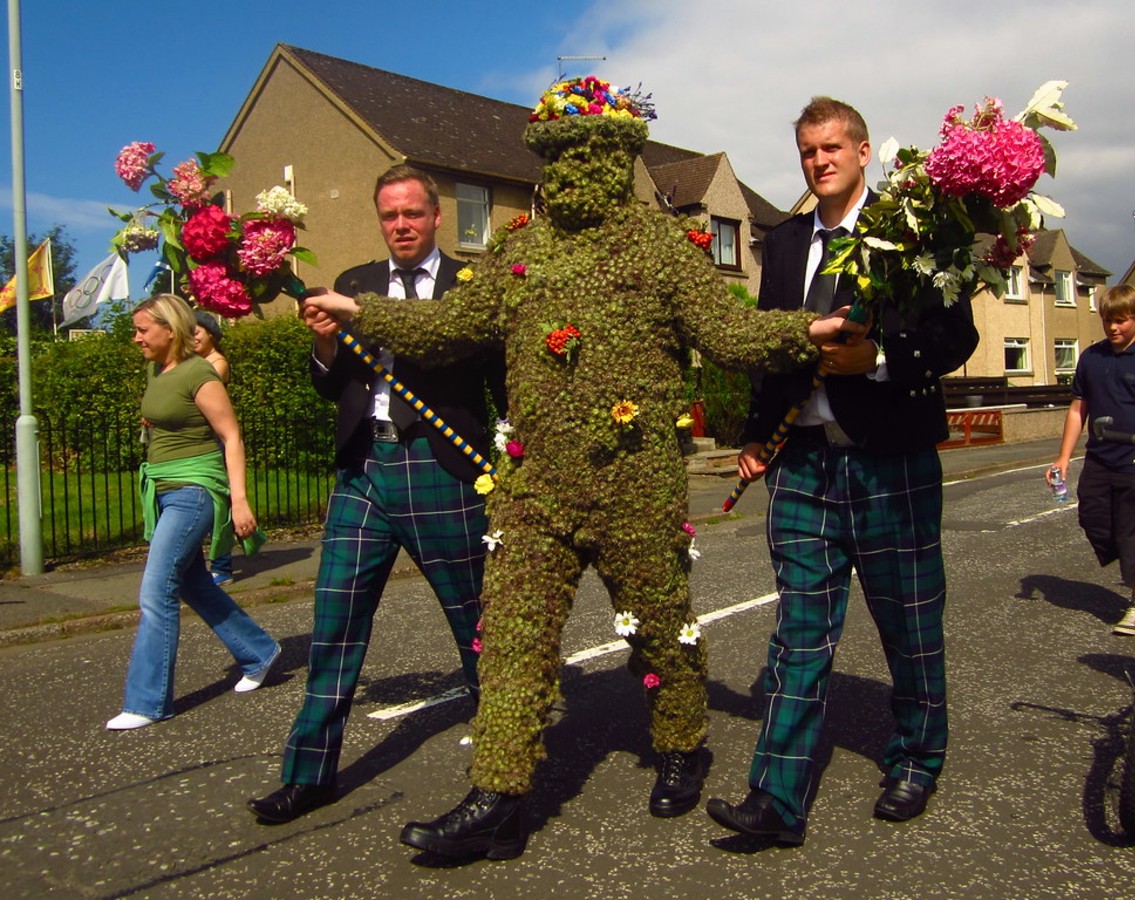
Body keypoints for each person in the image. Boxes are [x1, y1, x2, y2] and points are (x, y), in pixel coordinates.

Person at [302, 80, 860, 861]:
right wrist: (363, 312)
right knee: (512, 642)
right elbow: (455, 324)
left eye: (587, 156)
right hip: (536, 488)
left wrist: (807, 331)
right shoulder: (522, 248)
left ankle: (681, 742)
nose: (571, 174)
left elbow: (728, 330)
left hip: (636, 484)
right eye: (557, 158)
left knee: (663, 630)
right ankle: (497, 796)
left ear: (618, 157)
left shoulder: (662, 247)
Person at [706, 97, 979, 847]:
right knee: (799, 632)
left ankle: (919, 758)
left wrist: (880, 360)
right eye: (806, 151)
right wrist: (760, 435)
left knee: (910, 623)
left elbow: (956, 332)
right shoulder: (787, 242)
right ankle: (777, 797)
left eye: (831, 148)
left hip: (892, 462)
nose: (818, 161)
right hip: (805, 464)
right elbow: (773, 349)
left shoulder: (911, 231)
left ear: (863, 152)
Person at [246, 165, 505, 824]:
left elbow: (488, 371)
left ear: (436, 215)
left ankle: (507, 769)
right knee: (334, 624)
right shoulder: (355, 282)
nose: (401, 226)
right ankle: (309, 774)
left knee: (478, 628)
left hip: (441, 471)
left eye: (412, 214)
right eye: (390, 215)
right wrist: (326, 348)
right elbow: (332, 387)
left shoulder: (467, 286)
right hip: (364, 468)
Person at [107, 294, 279, 731]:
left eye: (144, 330)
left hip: (194, 491)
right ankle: (259, 651)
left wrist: (238, 500)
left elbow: (232, 436)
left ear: (171, 328)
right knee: (193, 584)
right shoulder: (158, 371)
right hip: (164, 490)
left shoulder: (199, 372)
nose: (137, 338)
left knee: (155, 590)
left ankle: (146, 702)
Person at [1047, 284, 1135, 636]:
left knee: (1133, 532)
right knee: (1092, 519)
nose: (1113, 328)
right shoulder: (1092, 358)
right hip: (1100, 458)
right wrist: (1064, 458)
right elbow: (1079, 408)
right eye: (1108, 320)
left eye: (1121, 321)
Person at [193, 310, 235, 586]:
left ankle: (222, 564)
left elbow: (197, 397)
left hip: (214, 440)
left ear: (211, 334)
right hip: (195, 440)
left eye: (197, 331)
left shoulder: (217, 363)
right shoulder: (191, 364)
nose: (192, 336)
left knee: (220, 503)